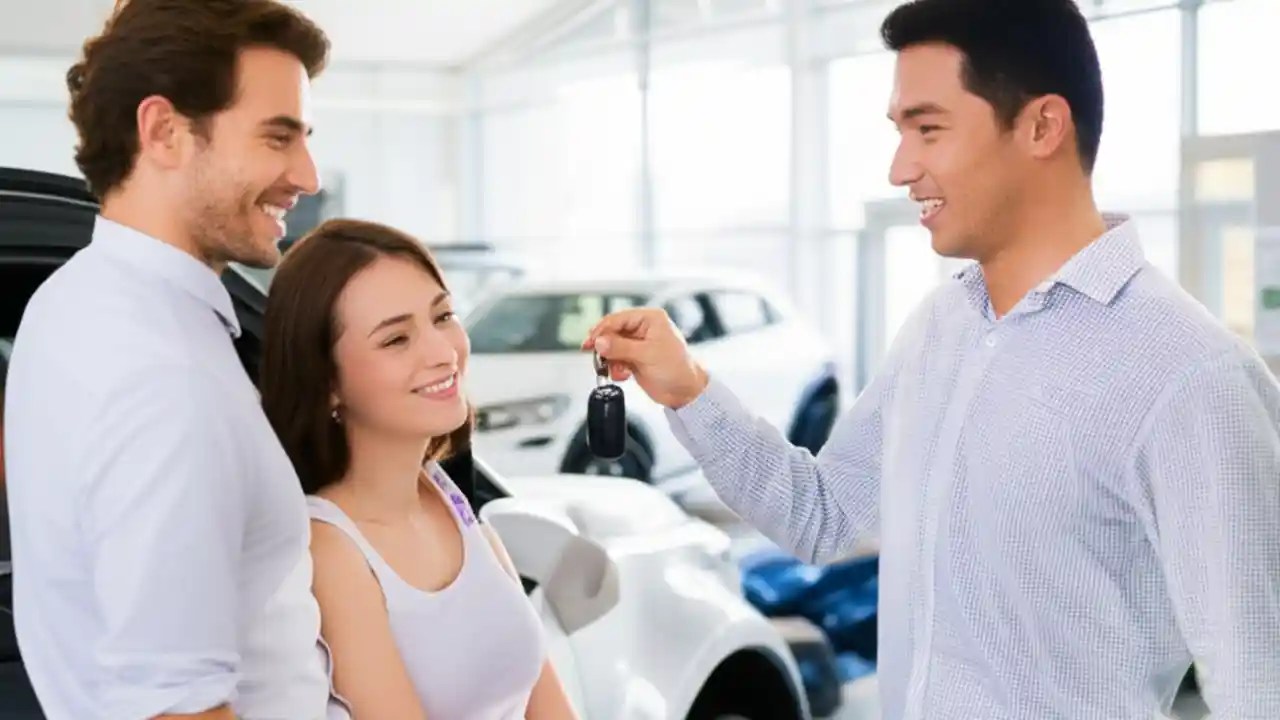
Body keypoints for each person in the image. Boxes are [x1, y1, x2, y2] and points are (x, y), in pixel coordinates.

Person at [585, 0, 1280, 718]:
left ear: (1042, 125)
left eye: (928, 128)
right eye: (900, 131)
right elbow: (823, 517)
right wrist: (689, 391)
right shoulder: (940, 327)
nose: (899, 168)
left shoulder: (1191, 376)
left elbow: (1259, 686)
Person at [2, 1, 348, 718]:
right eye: (277, 138)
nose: (307, 175)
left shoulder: (71, 303)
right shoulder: (161, 373)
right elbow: (175, 708)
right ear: (163, 131)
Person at [258, 218, 579, 720]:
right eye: (395, 340)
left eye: (443, 316)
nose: (441, 351)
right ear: (328, 384)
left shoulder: (452, 500)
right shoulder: (330, 549)